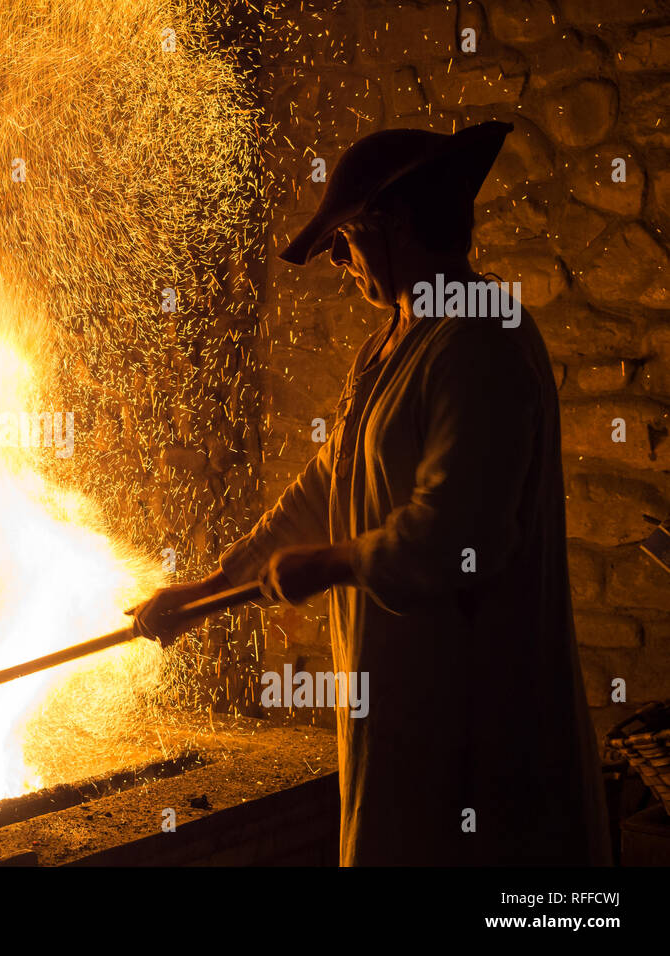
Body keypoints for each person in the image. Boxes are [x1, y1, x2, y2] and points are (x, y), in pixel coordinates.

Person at [132, 121, 611, 866]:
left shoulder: (480, 344)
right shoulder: (395, 341)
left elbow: (457, 540)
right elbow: (329, 484)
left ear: (398, 224)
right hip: (403, 707)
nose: (338, 259)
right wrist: (210, 588)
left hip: (474, 719)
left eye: (345, 239)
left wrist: (330, 566)